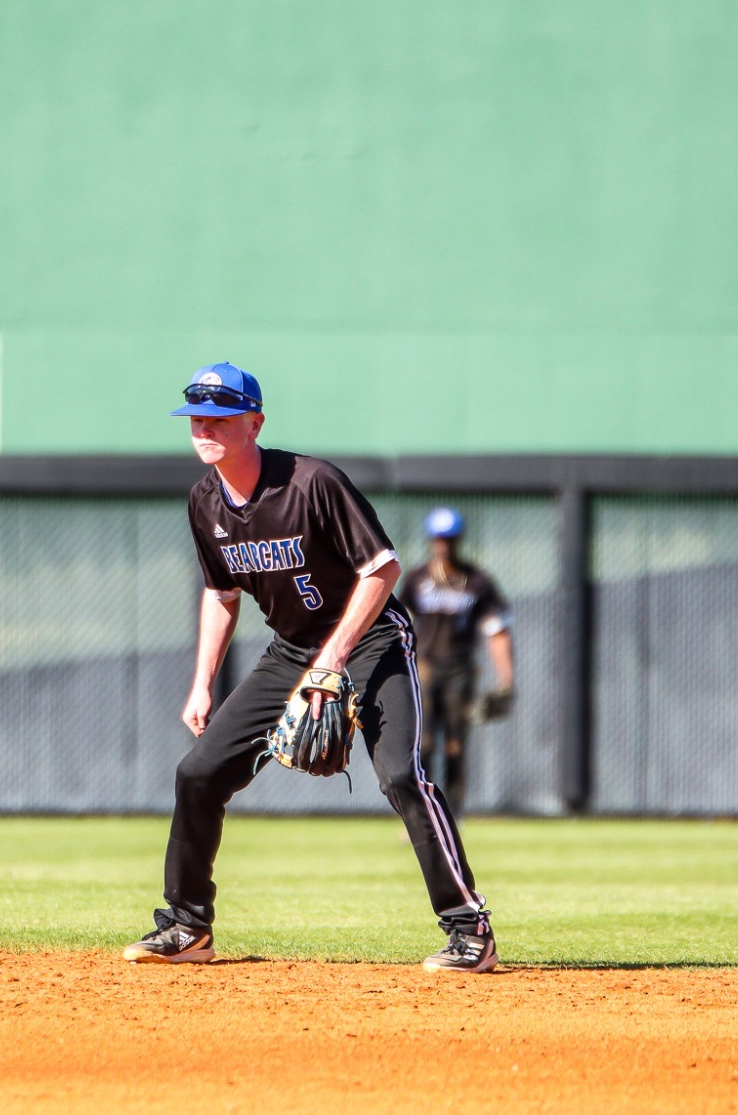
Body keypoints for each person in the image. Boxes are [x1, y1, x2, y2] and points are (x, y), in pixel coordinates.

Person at [123, 363, 496, 973]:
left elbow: (381, 570)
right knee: (198, 773)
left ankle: (469, 929)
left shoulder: (312, 482)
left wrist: (335, 658)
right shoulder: (205, 499)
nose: (204, 427)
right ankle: (188, 924)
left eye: (219, 415)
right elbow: (222, 592)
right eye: (195, 417)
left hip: (373, 642)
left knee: (402, 776)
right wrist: (201, 682)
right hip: (292, 651)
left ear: (254, 421)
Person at [397, 508, 515, 816]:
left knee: (455, 746)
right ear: (431, 540)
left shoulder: (476, 582)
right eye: (438, 538)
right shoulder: (417, 579)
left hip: (460, 671)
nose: (443, 545)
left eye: (449, 539)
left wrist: (506, 680)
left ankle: (452, 815)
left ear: (458, 539)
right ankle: (421, 815)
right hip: (424, 667)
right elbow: (397, 627)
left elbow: (497, 630)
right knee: (422, 745)